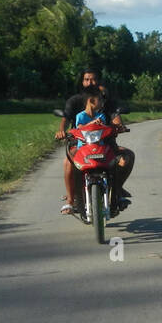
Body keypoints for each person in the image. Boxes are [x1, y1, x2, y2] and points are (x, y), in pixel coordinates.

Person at [55, 68, 134, 214]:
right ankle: (71, 200)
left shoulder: (105, 100)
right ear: (82, 82)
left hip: (105, 143)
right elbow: (65, 119)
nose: (90, 82)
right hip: (79, 143)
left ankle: (117, 190)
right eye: (86, 79)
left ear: (99, 81)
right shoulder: (75, 101)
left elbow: (115, 116)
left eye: (93, 79)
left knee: (128, 156)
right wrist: (62, 131)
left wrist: (119, 126)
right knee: (68, 162)